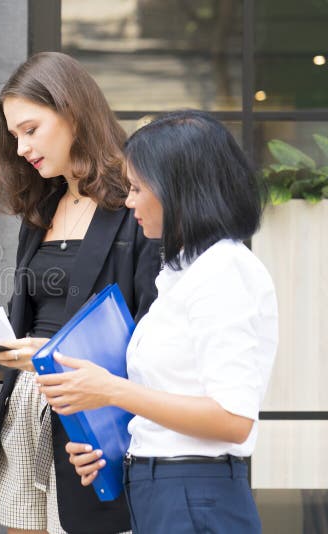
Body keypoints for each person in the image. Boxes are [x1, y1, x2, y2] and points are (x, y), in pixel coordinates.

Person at [39, 110, 278, 533]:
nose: (128, 202)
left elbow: (232, 418)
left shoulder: (224, 271)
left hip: (194, 493)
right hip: (161, 489)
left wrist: (110, 390)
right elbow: (166, 400)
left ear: (178, 191)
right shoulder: (182, 274)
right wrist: (109, 447)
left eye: (136, 188)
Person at [0, 52, 160, 534]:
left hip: (93, 419)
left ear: (72, 112)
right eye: (14, 136)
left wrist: (56, 355)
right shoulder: (41, 206)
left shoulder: (139, 203)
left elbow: (154, 332)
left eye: (30, 129)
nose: (20, 147)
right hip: (25, 409)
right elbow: (29, 313)